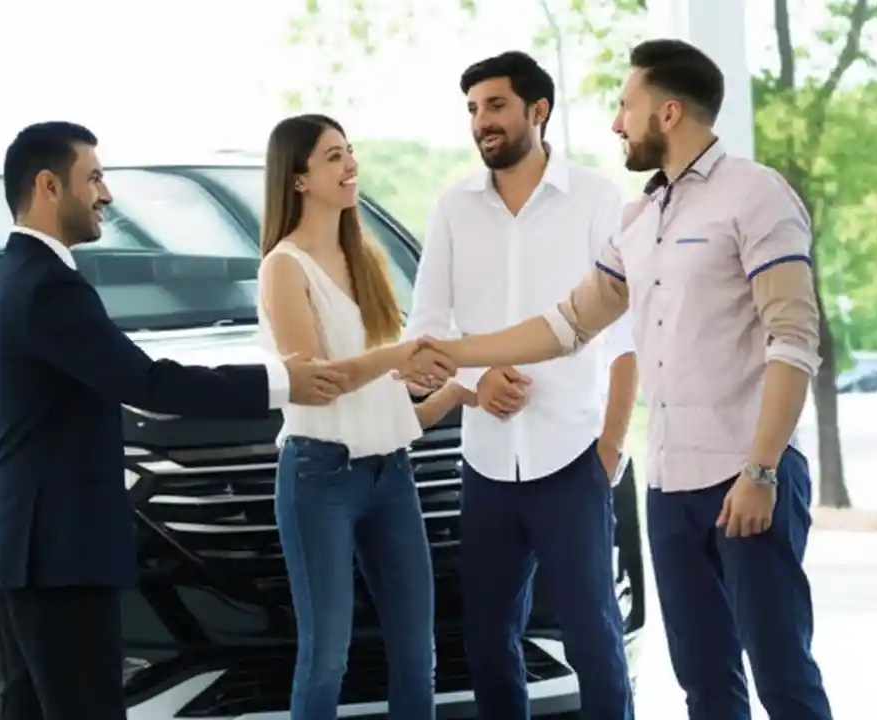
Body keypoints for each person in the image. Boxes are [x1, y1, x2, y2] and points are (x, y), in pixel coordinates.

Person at [403, 39, 836, 720]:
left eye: (626, 106)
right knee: (706, 684)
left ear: (667, 113)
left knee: (782, 678)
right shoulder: (641, 218)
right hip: (671, 487)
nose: (614, 123)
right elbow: (565, 325)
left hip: (747, 477)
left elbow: (793, 339)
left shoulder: (755, 193)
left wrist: (762, 468)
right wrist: (455, 355)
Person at [0, 121, 354, 720]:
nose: (106, 195)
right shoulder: (48, 288)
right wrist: (282, 380)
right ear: (48, 185)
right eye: (92, 177)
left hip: (19, 544)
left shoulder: (1, 278)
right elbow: (148, 383)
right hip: (57, 553)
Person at [403, 51, 639, 720]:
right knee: (487, 642)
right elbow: (426, 329)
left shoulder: (597, 199)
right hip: (484, 462)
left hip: (573, 456)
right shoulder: (453, 207)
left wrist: (610, 449)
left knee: (595, 642)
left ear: (538, 110)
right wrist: (478, 380)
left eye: (496, 105)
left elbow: (624, 337)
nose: (483, 122)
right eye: (474, 109)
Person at [256, 113, 473, 720]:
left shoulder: (366, 257)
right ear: (297, 179)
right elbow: (320, 383)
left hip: (391, 475)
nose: (350, 164)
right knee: (327, 655)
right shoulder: (284, 267)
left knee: (415, 651)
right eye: (332, 156)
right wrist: (400, 356)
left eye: (349, 152)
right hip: (318, 478)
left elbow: (383, 403)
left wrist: (451, 391)